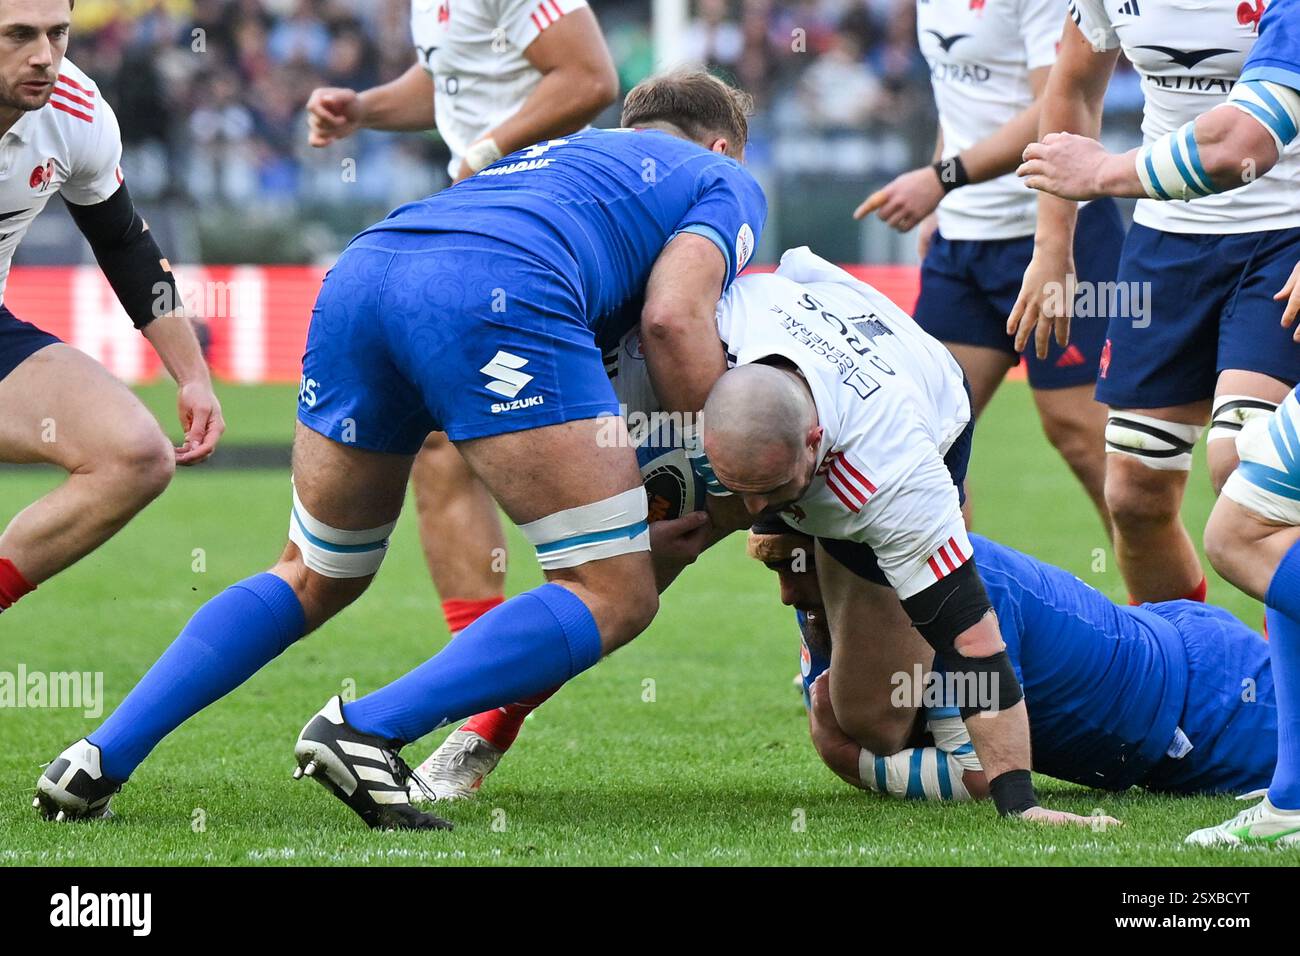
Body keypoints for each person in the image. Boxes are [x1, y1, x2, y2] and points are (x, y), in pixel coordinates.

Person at [35, 71, 766, 831]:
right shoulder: (722, 177)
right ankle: (366, 730)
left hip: (365, 272)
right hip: (495, 289)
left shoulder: (560, 153)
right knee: (613, 589)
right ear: (723, 147)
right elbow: (673, 321)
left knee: (314, 572)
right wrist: (726, 465)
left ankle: (98, 756)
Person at [304, 0, 619, 787]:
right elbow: (454, 78)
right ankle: (479, 717)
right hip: (491, 225)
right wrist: (368, 108)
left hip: (552, 235)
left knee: (627, 523)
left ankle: (484, 717)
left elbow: (588, 76)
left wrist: (485, 149)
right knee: (440, 451)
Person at [696, 250, 1112, 826]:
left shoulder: (894, 478)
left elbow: (975, 644)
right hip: (811, 326)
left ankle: (855, 643)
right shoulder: (708, 337)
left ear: (814, 441)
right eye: (737, 487)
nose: (751, 508)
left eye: (769, 489)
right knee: (774, 548)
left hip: (923, 392)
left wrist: (1020, 803)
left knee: (873, 721)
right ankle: (820, 619)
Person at [1007, 0, 1300, 605]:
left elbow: (1237, 144)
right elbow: (1075, 88)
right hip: (1166, 244)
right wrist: (1053, 245)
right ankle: (1190, 678)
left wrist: (1102, 172)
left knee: (1245, 474)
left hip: (1284, 237)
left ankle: (1281, 687)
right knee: (1134, 495)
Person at [749, 521, 1275, 804]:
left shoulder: (946, 596)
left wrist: (851, 761)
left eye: (798, 566)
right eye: (775, 568)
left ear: (841, 558)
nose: (787, 594)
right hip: (1177, 658)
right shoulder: (831, 601)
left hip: (1215, 711)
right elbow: (835, 710)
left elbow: (979, 775)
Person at [854, 0, 1121, 527]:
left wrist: (941, 177)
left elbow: (1056, 104)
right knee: (923, 438)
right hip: (962, 239)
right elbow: (959, 102)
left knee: (1084, 439)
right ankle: (954, 608)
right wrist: (941, 195)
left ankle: (1171, 610)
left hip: (1053, 236)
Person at [0, 0, 223, 619]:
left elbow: (124, 242)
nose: (44, 56)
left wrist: (192, 375)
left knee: (135, 456)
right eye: (18, 35)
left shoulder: (76, 110)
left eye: (57, 33)